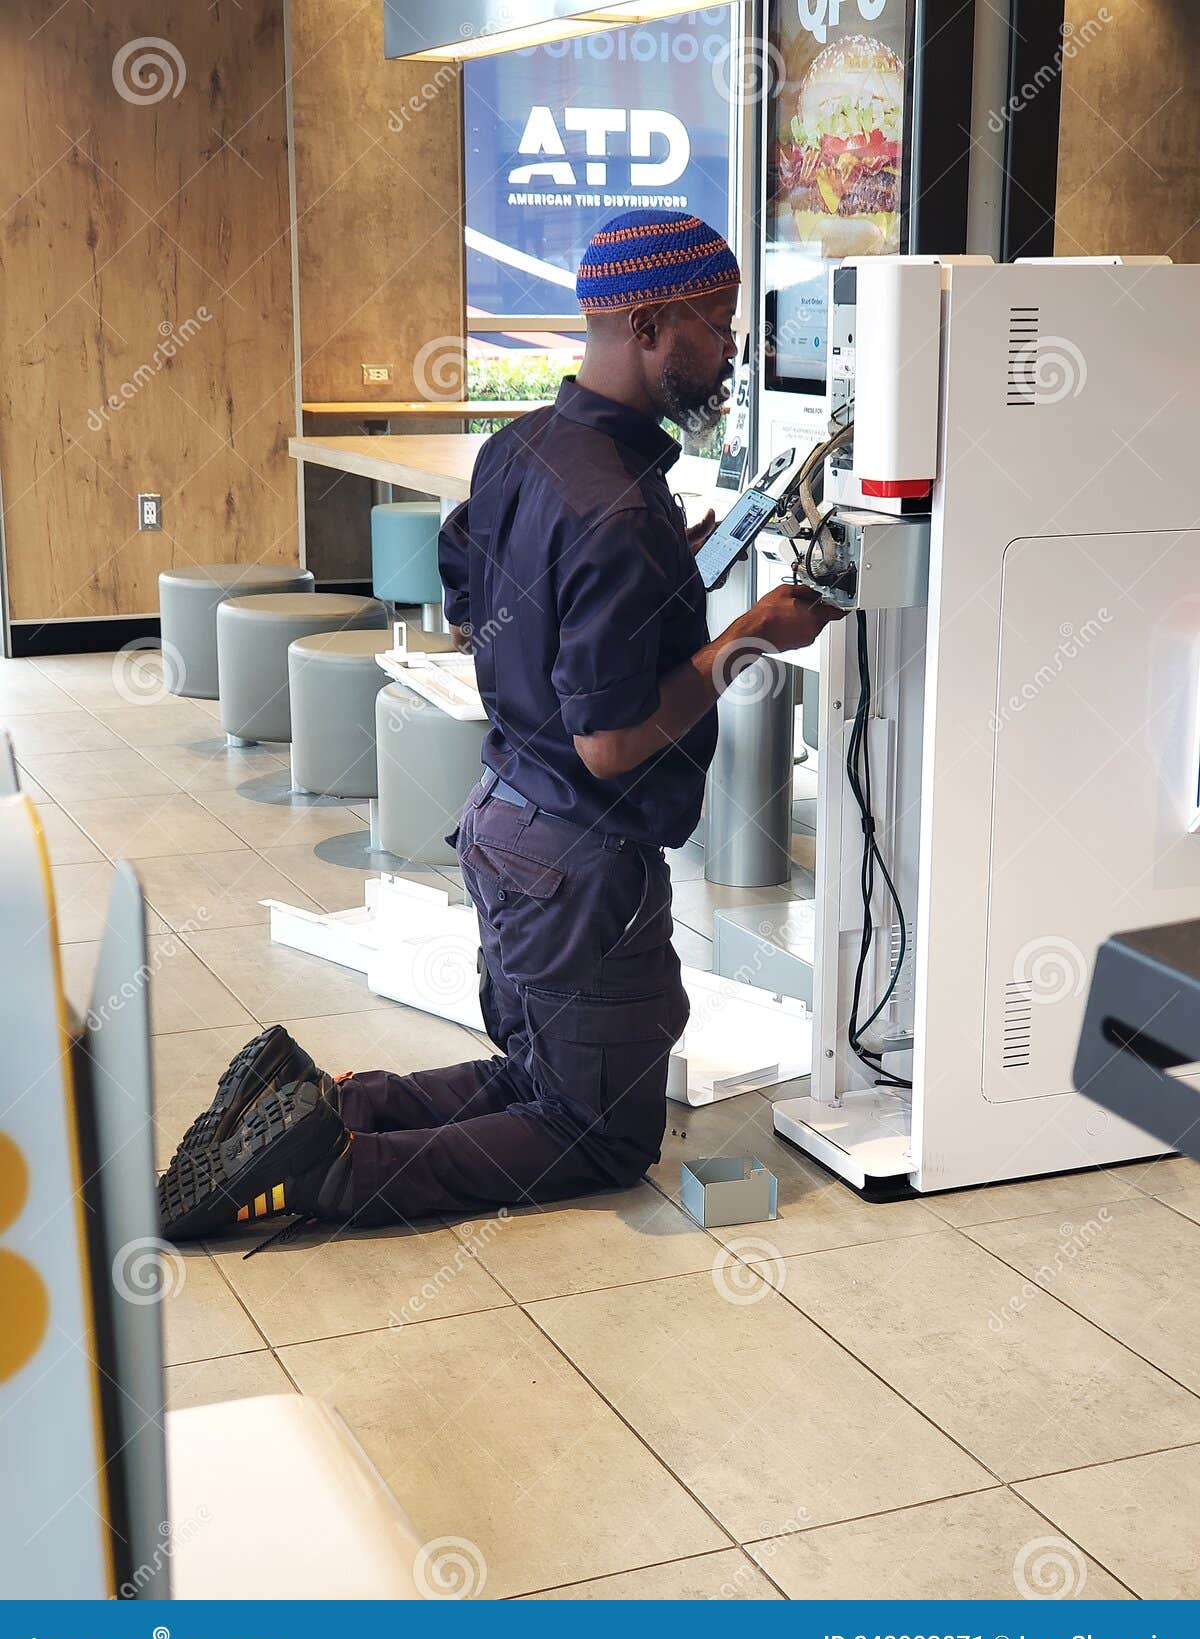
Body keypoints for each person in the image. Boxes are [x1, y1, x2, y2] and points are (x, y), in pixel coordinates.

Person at [158, 210, 843, 1243]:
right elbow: (609, 741)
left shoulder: (525, 447)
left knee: (541, 1079)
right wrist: (751, 635)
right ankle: (328, 1170)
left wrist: (659, 579)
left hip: (507, 823)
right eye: (717, 324)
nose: (732, 352)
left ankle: (329, 1104)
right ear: (649, 326)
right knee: (596, 1135)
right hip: (578, 862)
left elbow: (471, 590)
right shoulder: (620, 508)